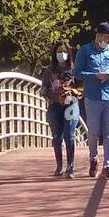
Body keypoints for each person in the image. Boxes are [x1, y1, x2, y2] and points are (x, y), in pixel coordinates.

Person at [74, 21, 109, 179]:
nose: (107, 41)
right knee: (93, 132)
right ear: (98, 35)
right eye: (105, 37)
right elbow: (78, 73)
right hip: (93, 97)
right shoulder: (84, 51)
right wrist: (95, 75)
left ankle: (107, 166)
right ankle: (93, 158)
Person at [41, 40, 78, 178]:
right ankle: (59, 166)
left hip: (71, 106)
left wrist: (69, 93)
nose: (61, 54)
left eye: (64, 51)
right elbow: (43, 89)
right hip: (55, 107)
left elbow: (80, 88)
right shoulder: (50, 70)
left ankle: (70, 166)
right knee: (57, 137)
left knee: (70, 135)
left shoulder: (74, 70)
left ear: (68, 53)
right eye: (58, 52)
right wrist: (55, 97)